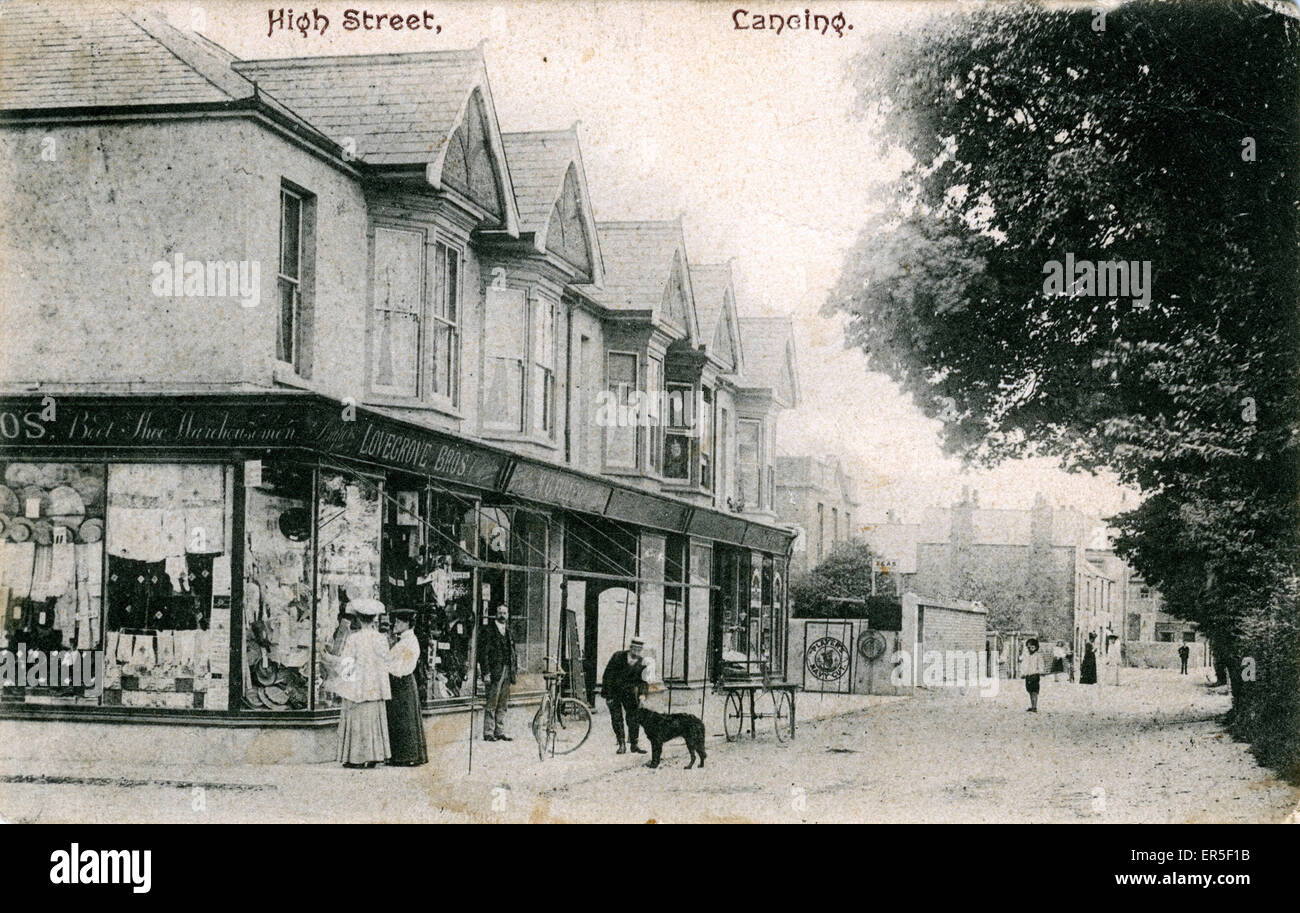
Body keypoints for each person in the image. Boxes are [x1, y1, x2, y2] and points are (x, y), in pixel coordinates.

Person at [324, 598, 392, 768]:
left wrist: (343, 684)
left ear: (359, 619)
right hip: (376, 687)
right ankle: (374, 755)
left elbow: (347, 666)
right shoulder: (381, 639)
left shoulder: (354, 639)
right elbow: (386, 662)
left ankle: (357, 757)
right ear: (374, 618)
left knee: (358, 722)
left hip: (358, 689)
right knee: (373, 721)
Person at [386, 608, 428, 766]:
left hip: (402, 681)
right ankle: (402, 755)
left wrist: (386, 668)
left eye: (398, 622)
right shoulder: (403, 640)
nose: (395, 624)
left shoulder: (409, 642)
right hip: (400, 681)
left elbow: (400, 666)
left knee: (405, 719)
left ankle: (407, 756)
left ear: (407, 623)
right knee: (401, 718)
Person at [601, 636, 649, 754]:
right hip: (614, 692)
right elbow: (607, 676)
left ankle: (634, 744)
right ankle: (621, 744)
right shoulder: (618, 656)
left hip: (630, 694)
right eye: (635, 649)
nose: (636, 652)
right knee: (617, 718)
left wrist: (642, 696)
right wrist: (607, 695)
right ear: (630, 648)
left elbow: (644, 681)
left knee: (634, 718)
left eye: (639, 650)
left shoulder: (642, 662)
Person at [477, 604, 517, 742]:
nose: (502, 615)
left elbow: (513, 652)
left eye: (505, 613)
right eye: (500, 612)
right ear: (495, 614)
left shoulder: (509, 631)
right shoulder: (488, 630)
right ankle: (488, 732)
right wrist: (486, 672)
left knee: (503, 703)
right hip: (494, 671)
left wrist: (513, 670)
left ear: (508, 615)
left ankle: (499, 731)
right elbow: (483, 654)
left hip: (507, 670)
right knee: (492, 702)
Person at [1020, 637, 1045, 712]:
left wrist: (1041, 671)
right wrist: (1023, 673)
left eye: (1032, 647)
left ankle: (1035, 707)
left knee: (1034, 691)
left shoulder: (1038, 655)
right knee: (1029, 691)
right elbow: (1024, 665)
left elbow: (1041, 664)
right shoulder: (1027, 655)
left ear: (1036, 647)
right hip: (1028, 675)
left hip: (1035, 675)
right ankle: (1032, 705)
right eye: (1029, 647)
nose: (1030, 649)